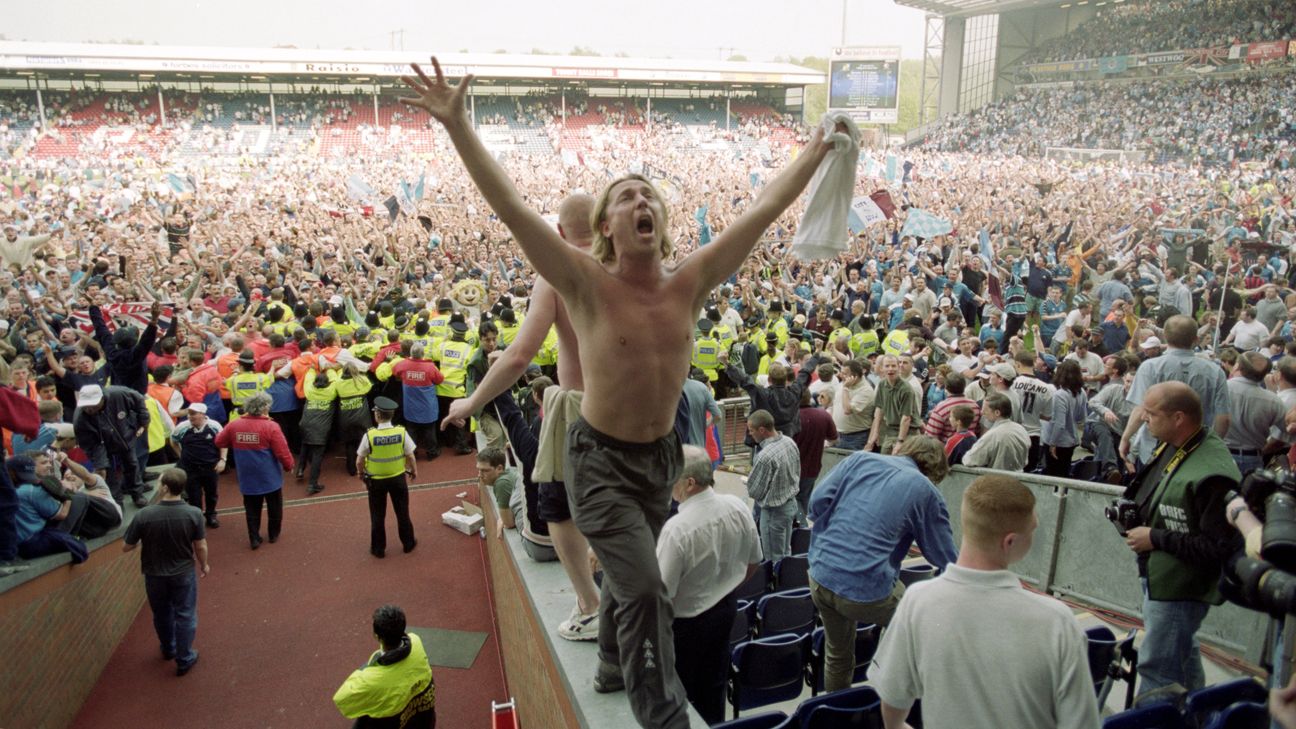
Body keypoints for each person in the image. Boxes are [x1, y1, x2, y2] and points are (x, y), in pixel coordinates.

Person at [401, 57, 840, 727]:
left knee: (633, 581)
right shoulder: (584, 283)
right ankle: (663, 717)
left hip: (661, 456)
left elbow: (764, 206)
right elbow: (511, 207)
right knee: (644, 588)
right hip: (598, 461)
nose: (641, 203)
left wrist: (813, 153)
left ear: (662, 223)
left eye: (649, 197)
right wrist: (459, 126)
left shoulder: (691, 281)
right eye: (626, 197)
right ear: (606, 226)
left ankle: (610, 661)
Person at [440, 193, 600, 641]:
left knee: (557, 503)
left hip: (582, 411)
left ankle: (591, 605)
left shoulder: (556, 277)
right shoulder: (630, 269)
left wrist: (471, 404)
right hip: (634, 411)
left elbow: (518, 357)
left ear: (562, 233)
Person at [871, 474, 1101, 729]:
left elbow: (892, 705)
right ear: (1010, 541)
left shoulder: (918, 601)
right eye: (1033, 529)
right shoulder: (1058, 621)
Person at [807, 436, 959, 693]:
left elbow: (816, 504)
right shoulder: (925, 490)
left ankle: (835, 711)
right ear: (935, 469)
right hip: (867, 590)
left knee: (837, 654)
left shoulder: (858, 460)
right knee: (927, 629)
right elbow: (945, 558)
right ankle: (898, 701)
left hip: (820, 575)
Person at [1122, 382, 1240, 696]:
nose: (1144, 420)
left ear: (1178, 418)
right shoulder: (1179, 443)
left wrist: (1155, 537)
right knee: (1182, 654)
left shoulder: (1213, 474)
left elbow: (1219, 547)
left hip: (1181, 585)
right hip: (1164, 577)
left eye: (1151, 414)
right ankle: (1195, 715)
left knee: (1158, 668)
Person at [656, 445, 761, 724]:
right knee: (713, 686)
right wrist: (726, 589)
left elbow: (662, 596)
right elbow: (754, 562)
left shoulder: (677, 529)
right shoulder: (738, 505)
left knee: (680, 694)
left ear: (689, 483)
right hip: (726, 609)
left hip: (686, 626)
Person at [122, 468, 209, 677]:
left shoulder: (145, 515)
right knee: (185, 613)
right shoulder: (193, 513)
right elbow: (200, 545)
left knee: (161, 613)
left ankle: (168, 647)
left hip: (154, 573)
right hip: (183, 572)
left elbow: (127, 546)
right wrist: (204, 564)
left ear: (165, 487)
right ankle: (184, 657)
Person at [1120, 315, 1231, 472]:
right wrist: (1211, 446)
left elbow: (1141, 409)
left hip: (1154, 451)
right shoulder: (1215, 371)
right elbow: (1223, 418)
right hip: (1196, 450)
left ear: (1165, 336)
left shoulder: (1150, 367)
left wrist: (1125, 438)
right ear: (1195, 339)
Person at [332, 604, 436, 728]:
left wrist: (369, 666)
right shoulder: (416, 641)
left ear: (377, 636)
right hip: (423, 721)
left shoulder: (369, 680)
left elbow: (341, 699)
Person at [214, 391, 294, 549]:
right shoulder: (271, 426)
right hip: (269, 474)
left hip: (247, 475)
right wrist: (289, 465)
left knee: (251, 508)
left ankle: (254, 538)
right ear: (264, 408)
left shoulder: (235, 424)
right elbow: (282, 451)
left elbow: (219, 441)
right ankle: (273, 534)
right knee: (274, 506)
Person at [72, 383, 152, 508]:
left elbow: (139, 399)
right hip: (101, 445)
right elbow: (91, 446)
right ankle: (117, 503)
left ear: (102, 399)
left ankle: (137, 493)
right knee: (108, 473)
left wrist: (143, 420)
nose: (89, 409)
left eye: (93, 405)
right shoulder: (80, 419)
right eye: (86, 405)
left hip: (125, 435)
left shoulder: (119, 394)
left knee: (132, 464)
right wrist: (101, 464)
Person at [359, 397, 418, 559]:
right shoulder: (401, 432)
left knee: (377, 516)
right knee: (403, 513)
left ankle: (378, 549)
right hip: (398, 479)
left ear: (377, 415)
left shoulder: (369, 435)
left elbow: (359, 459)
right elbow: (410, 456)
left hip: (376, 481)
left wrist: (360, 473)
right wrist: (414, 470)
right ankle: (408, 543)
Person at [745, 408, 801, 562]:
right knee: (785, 552)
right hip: (790, 506)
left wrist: (749, 481)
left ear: (762, 430)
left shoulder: (765, 456)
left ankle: (775, 585)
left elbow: (754, 491)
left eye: (751, 430)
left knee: (773, 558)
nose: (750, 434)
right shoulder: (790, 442)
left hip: (773, 514)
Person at [1221, 351, 1286, 476]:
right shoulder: (1273, 400)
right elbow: (1287, 431)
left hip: (1221, 454)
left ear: (1238, 367)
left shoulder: (1220, 388)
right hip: (1253, 459)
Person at [169, 402, 226, 528]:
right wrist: (181, 456)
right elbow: (173, 441)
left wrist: (223, 460)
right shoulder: (182, 427)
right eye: (189, 413)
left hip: (210, 467)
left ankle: (211, 515)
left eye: (193, 414)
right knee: (194, 495)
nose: (190, 416)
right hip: (190, 468)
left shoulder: (214, 426)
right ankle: (197, 517)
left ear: (202, 414)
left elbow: (223, 443)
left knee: (212, 494)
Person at [1041, 360, 1088, 477]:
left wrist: (1053, 444)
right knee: (1064, 472)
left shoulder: (1060, 395)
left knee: (1053, 475)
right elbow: (1082, 417)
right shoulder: (1081, 392)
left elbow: (1059, 423)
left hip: (1058, 442)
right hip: (1071, 440)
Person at [866, 354, 921, 454]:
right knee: (885, 458)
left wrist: (900, 442)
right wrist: (875, 432)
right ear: (882, 368)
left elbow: (906, 418)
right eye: (887, 366)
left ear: (898, 367)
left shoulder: (906, 389)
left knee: (901, 460)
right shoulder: (882, 384)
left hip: (908, 432)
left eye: (893, 366)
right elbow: (879, 409)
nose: (890, 369)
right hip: (890, 430)